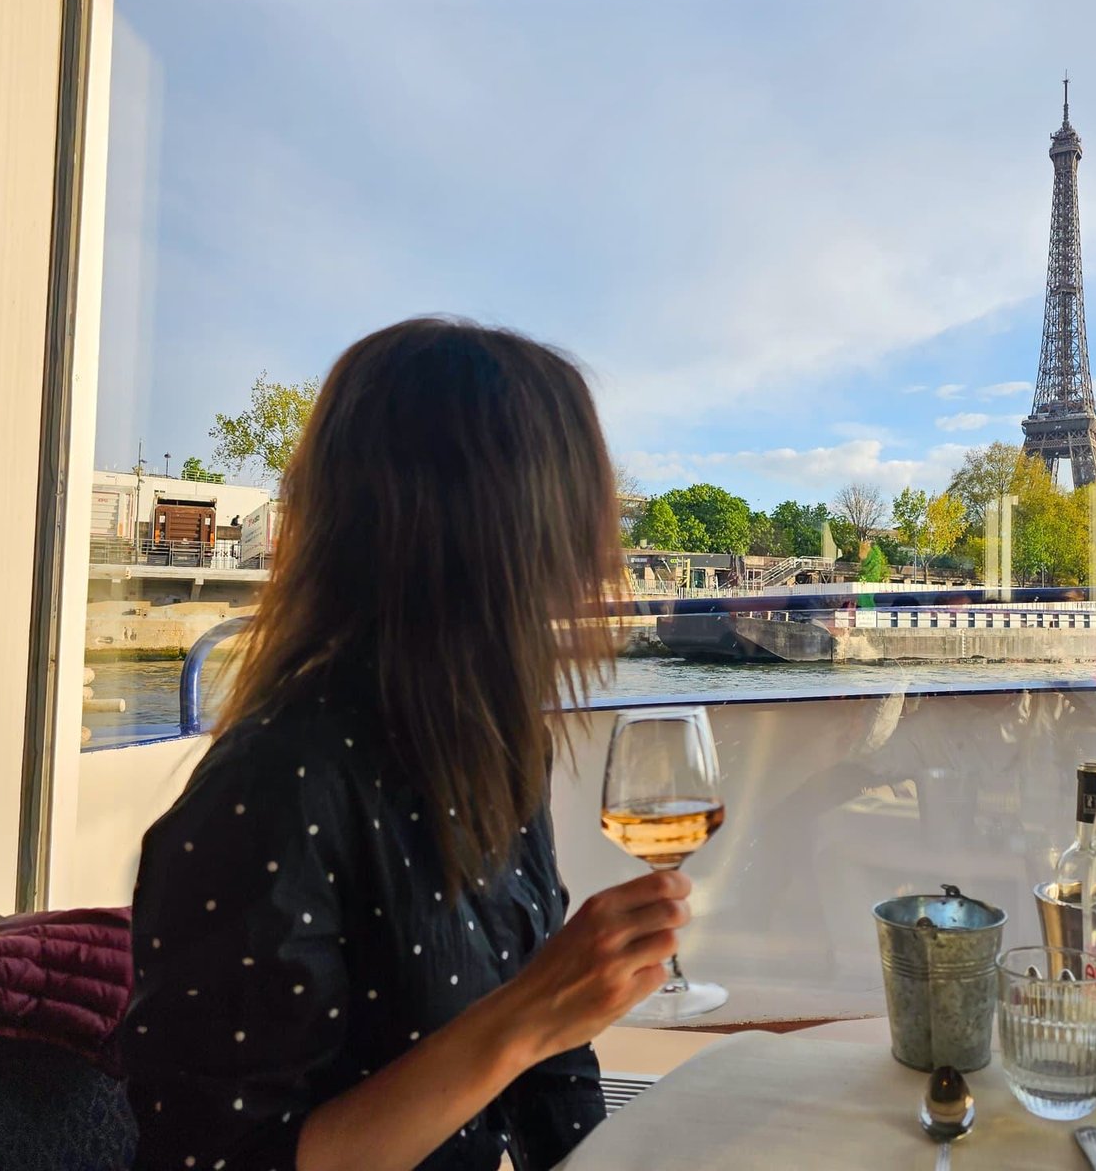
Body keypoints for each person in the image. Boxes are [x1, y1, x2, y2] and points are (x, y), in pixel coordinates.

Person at [122, 318, 690, 1171]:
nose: (596, 561)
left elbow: (552, 1069)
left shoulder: (498, 745)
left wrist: (550, 1026)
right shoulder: (271, 794)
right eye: (578, 519)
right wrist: (529, 1015)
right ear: (496, 541)